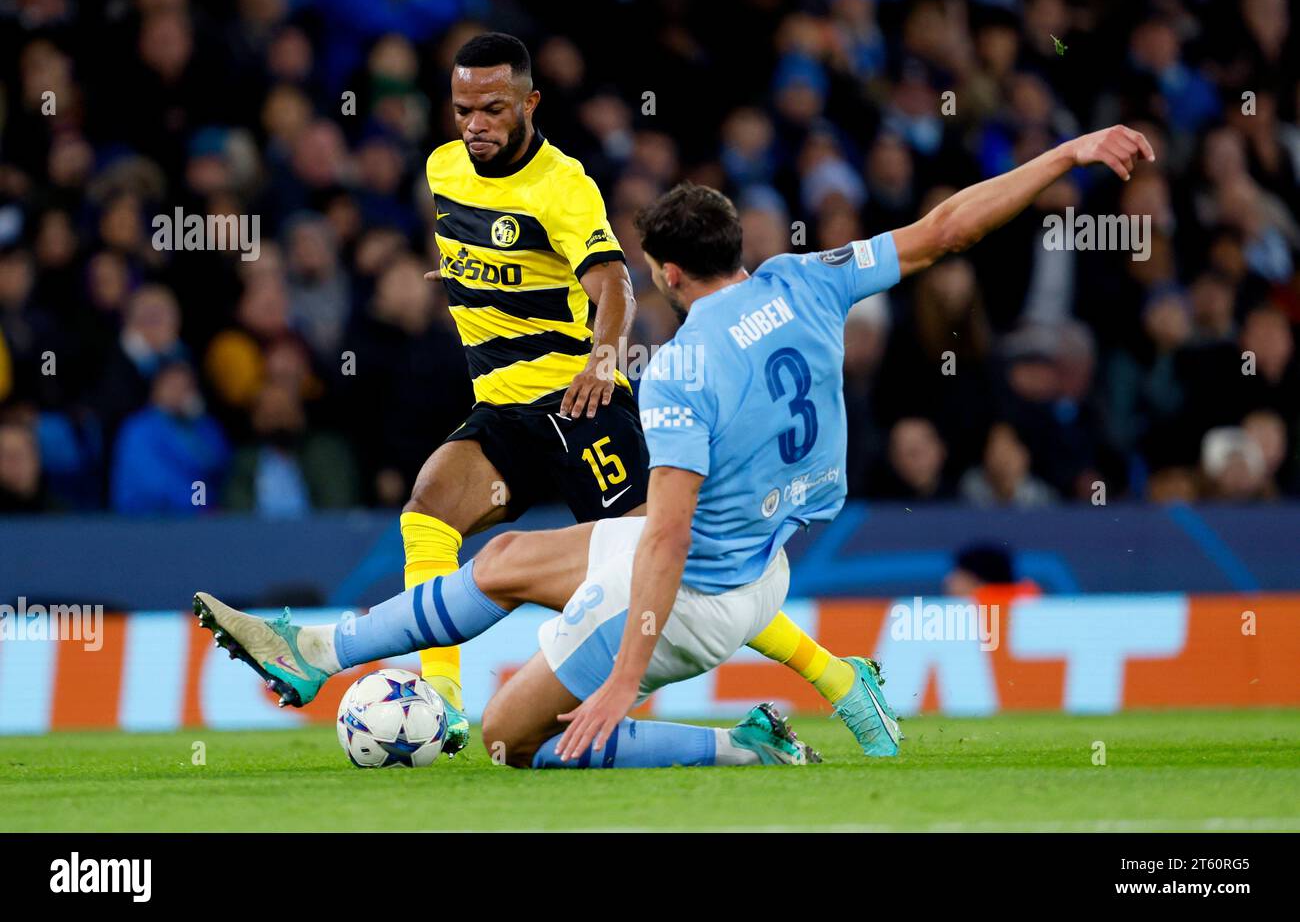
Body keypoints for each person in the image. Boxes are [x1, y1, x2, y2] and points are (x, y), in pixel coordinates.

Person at [195, 123, 1153, 768]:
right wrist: (1065, 152)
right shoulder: (805, 281)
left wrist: (620, 681)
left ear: (661, 271)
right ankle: (316, 649)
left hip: (701, 595)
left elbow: (663, 540)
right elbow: (945, 229)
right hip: (759, 560)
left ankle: (742, 747)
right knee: (508, 558)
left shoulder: (684, 372)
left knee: (507, 740)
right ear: (737, 247)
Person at [382, 31, 861, 757]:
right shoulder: (443, 169)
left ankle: (839, 681)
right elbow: (491, 254)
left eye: (492, 108)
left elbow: (610, 283)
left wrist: (603, 360)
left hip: (579, 406)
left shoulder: (564, 185)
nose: (475, 123)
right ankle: (442, 704)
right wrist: (464, 279)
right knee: (428, 509)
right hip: (502, 406)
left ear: (529, 103)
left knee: (671, 562)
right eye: (462, 109)